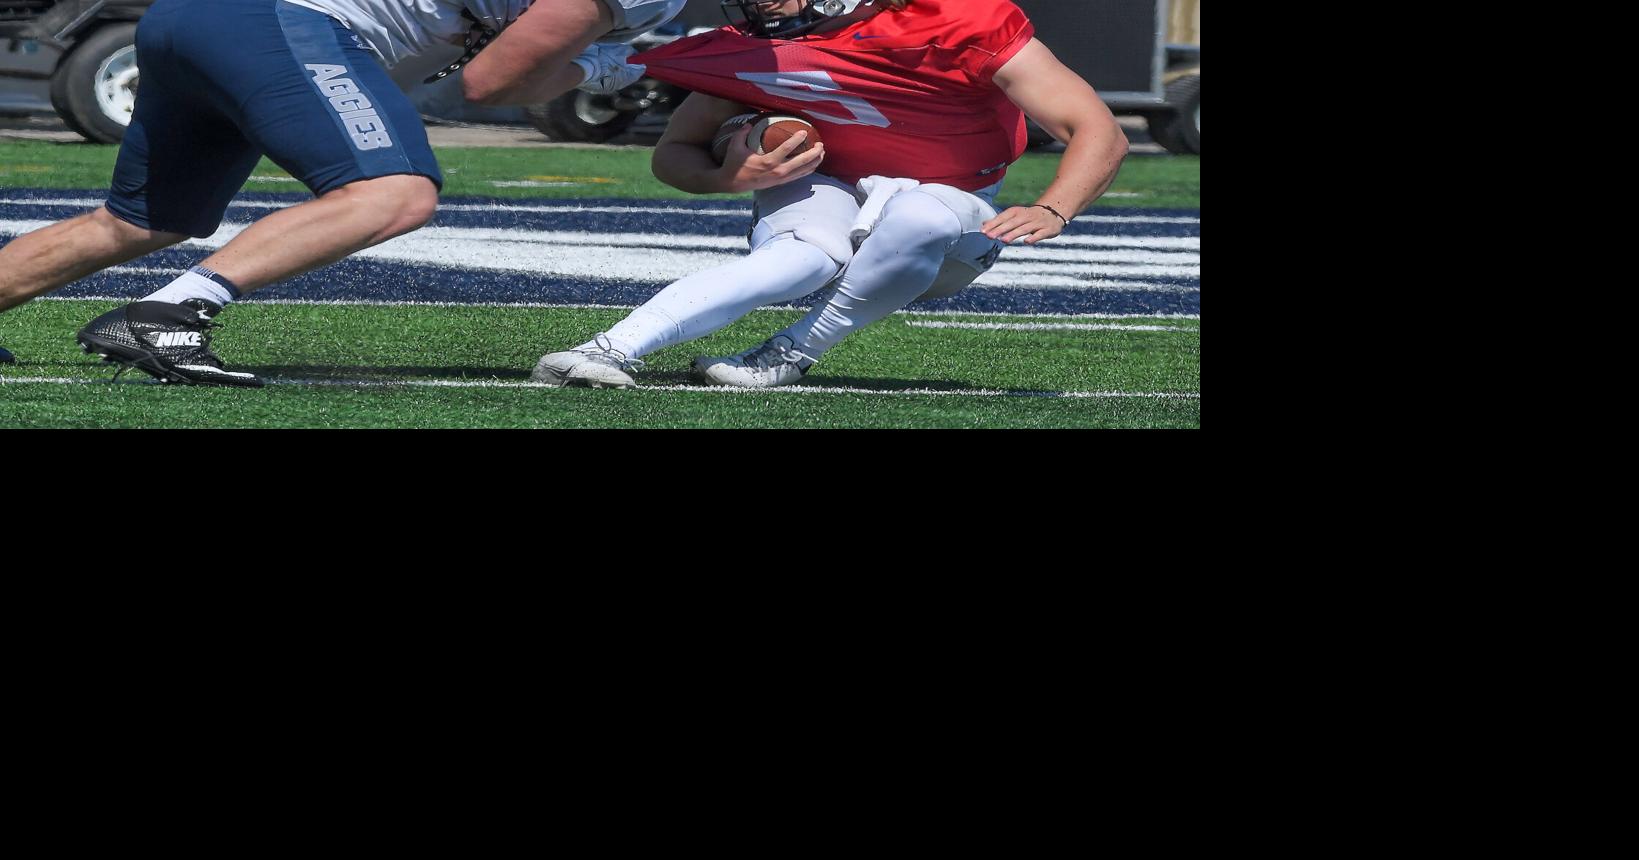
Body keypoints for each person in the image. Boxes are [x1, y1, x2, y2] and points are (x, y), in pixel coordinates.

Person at [0, 0, 683, 386]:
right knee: (393, 193)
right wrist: (602, 67)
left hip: (194, 16)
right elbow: (492, 82)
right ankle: (167, 314)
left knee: (143, 218)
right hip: (279, 20)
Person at [532, 0, 1129, 390]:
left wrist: (1054, 206)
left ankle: (790, 353)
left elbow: (1097, 128)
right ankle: (609, 349)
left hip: (951, 207)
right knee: (805, 254)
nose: (761, 4)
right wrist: (728, 178)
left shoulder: (958, 19)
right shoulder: (755, 45)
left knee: (920, 215)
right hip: (830, 184)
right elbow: (675, 152)